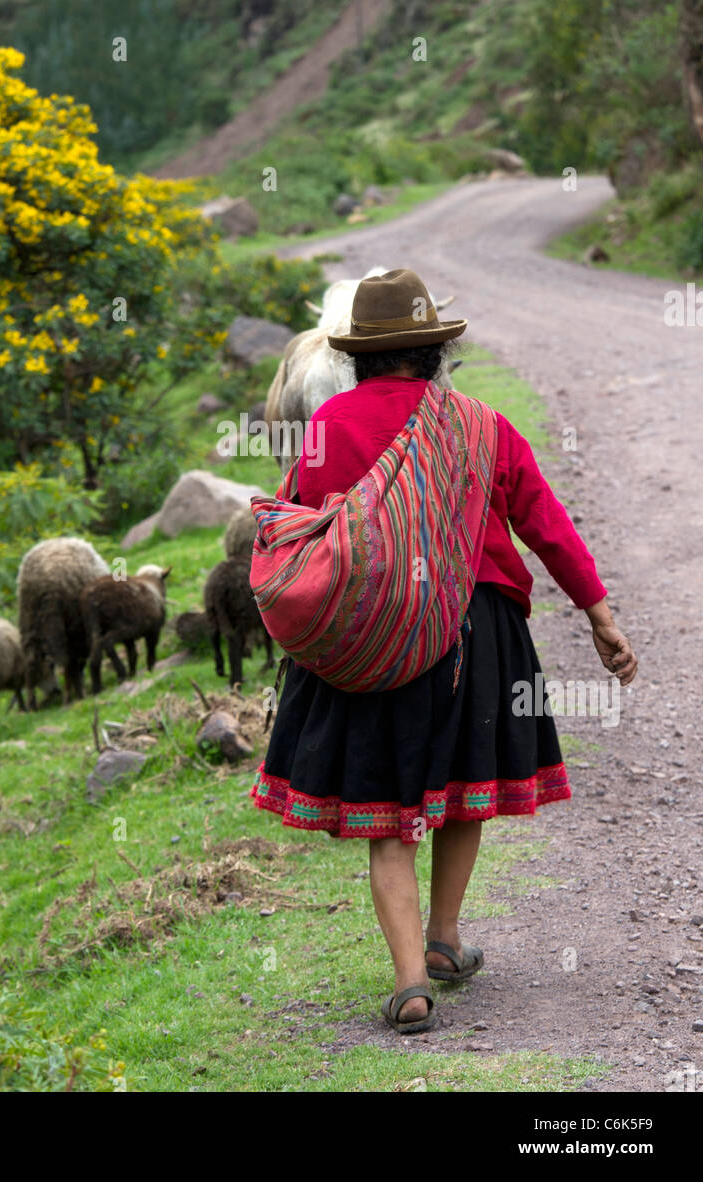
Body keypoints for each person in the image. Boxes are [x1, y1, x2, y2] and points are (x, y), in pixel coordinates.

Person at [250, 268, 637, 1033]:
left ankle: (408, 986)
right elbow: (545, 523)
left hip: (370, 638)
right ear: (433, 351)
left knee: (386, 813)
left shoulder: (326, 430)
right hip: (477, 629)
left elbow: (294, 531)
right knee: (465, 786)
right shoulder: (482, 425)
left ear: (358, 356)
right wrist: (598, 613)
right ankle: (445, 938)